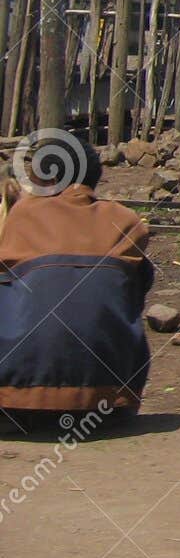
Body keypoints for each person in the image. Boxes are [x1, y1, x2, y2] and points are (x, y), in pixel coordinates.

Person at [0, 141, 154, 421]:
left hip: (15, 401)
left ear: (51, 179)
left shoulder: (22, 214)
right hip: (110, 403)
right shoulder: (126, 220)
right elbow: (138, 292)